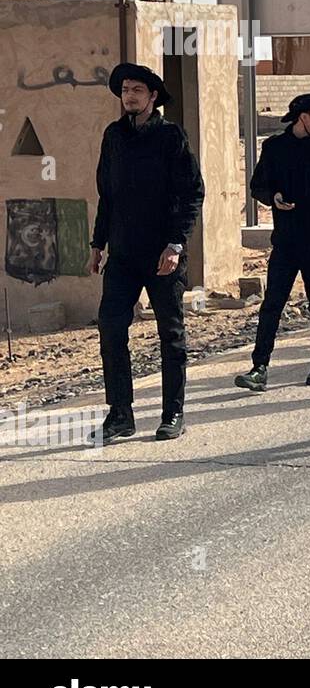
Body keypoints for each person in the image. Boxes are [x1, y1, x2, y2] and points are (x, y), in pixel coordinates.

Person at [88, 63, 205, 443]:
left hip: (162, 254)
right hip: (121, 255)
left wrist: (176, 244)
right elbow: (107, 195)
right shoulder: (113, 136)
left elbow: (192, 194)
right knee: (110, 328)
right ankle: (120, 413)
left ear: (153, 97)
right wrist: (97, 244)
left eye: (138, 90)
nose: (130, 96)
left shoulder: (171, 137)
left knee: (170, 333)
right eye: (125, 90)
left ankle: (173, 412)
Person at [236, 94, 310, 391]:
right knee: (272, 304)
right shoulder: (275, 147)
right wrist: (273, 197)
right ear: (303, 117)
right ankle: (259, 367)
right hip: (287, 239)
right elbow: (258, 185)